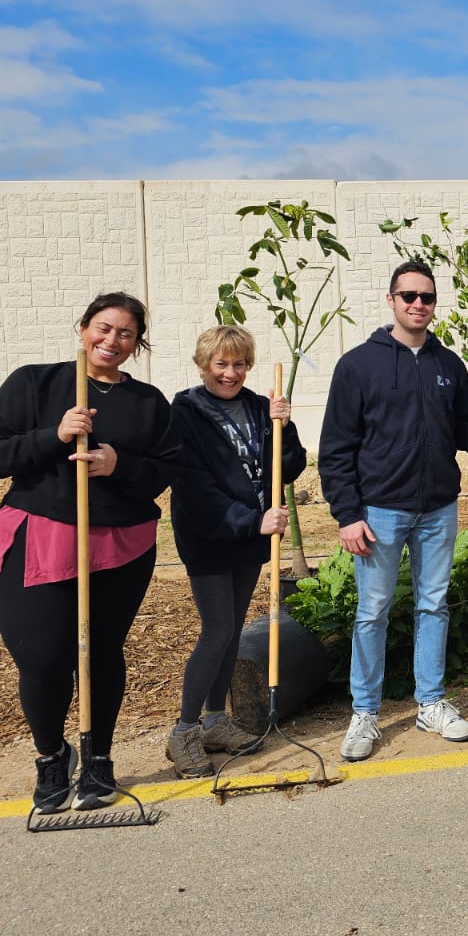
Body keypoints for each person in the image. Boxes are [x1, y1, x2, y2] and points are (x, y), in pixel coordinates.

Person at [0, 292, 181, 813]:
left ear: (137, 344)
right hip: (38, 537)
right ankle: (52, 756)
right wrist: (55, 434)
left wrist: (120, 464)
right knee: (43, 658)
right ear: (84, 327)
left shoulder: (149, 402)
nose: (112, 341)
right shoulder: (35, 382)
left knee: (100, 655)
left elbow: (165, 471)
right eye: (104, 328)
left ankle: (98, 760)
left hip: (120, 543)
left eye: (126, 334)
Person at [320, 260, 468, 760]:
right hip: (378, 510)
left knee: (433, 605)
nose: (418, 304)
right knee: (373, 611)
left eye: (426, 297)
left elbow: (464, 430)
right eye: (409, 296)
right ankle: (365, 713)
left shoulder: (449, 365)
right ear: (391, 300)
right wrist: (346, 513)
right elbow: (336, 447)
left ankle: (430, 703)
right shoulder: (358, 365)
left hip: (438, 506)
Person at [164, 325, 306, 777]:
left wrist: (285, 424)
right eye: (221, 364)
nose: (230, 372)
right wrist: (251, 520)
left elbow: (291, 464)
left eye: (239, 363)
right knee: (217, 630)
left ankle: (214, 721)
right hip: (211, 536)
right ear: (203, 364)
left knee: (232, 630)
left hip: (250, 537)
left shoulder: (259, 408)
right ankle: (183, 732)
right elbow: (194, 485)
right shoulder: (185, 411)